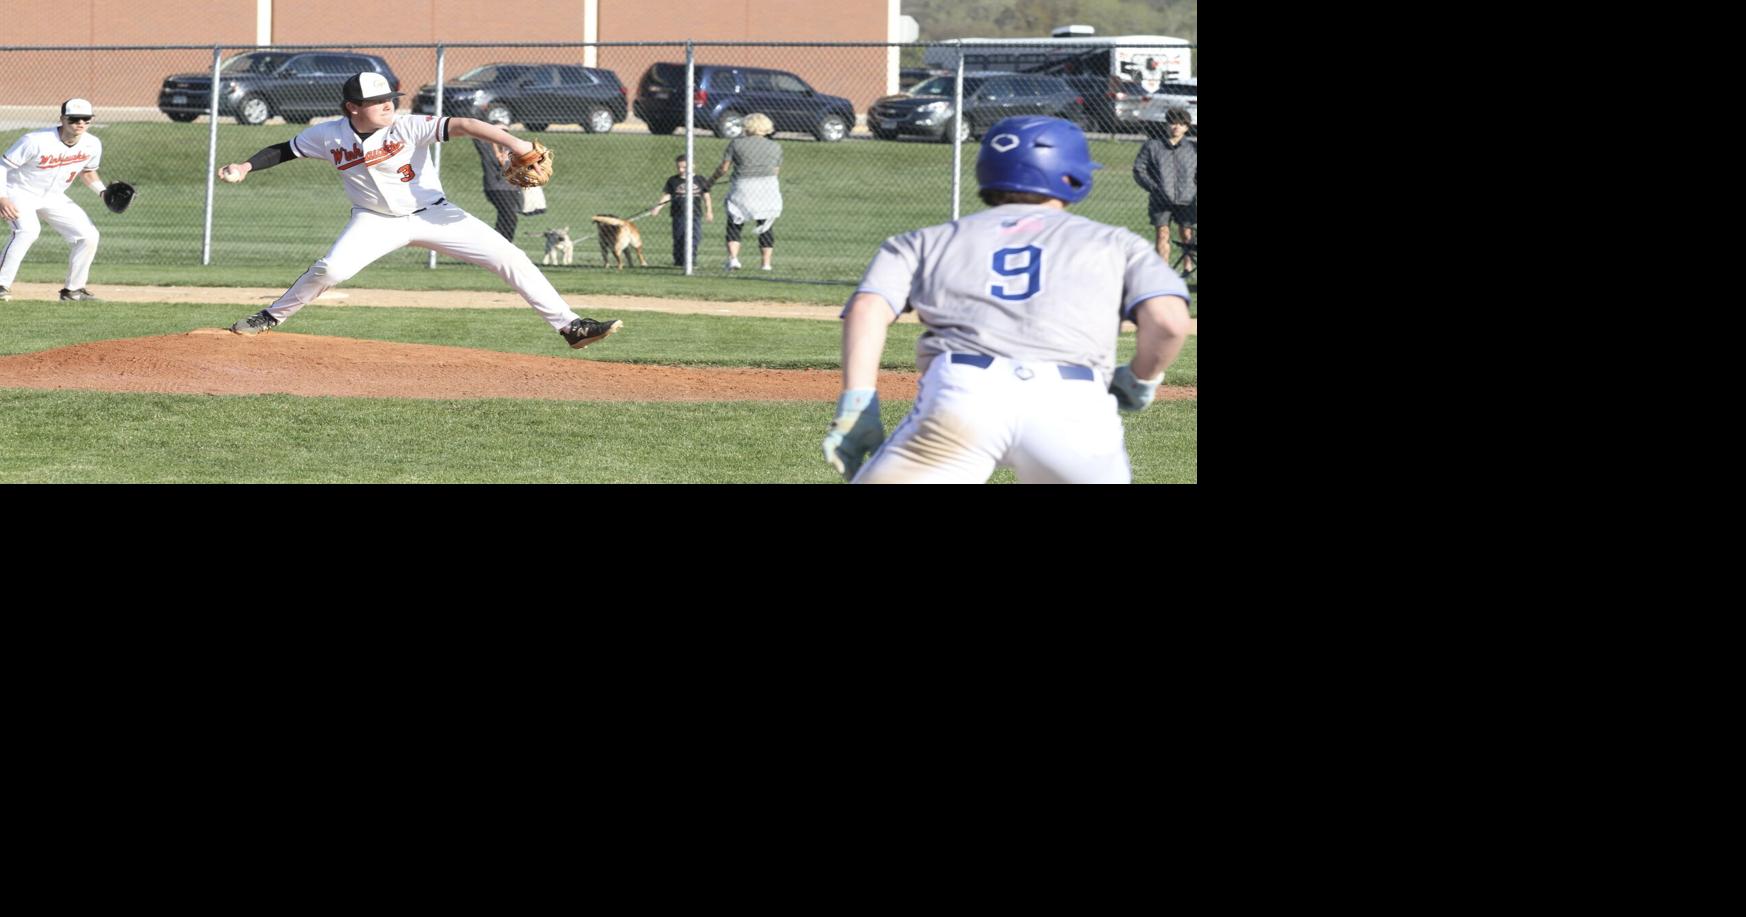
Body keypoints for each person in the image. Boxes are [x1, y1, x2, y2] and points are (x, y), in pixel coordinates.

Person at [823, 115, 1192, 485]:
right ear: (1072, 175)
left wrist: (857, 404)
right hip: (1075, 404)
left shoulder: (924, 240)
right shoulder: (1117, 243)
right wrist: (1141, 378)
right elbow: (1169, 321)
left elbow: (867, 308)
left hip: (962, 395)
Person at [217, 72, 621, 350]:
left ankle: (570, 326)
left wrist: (516, 144)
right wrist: (245, 166)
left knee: (509, 257)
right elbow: (285, 149)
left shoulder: (408, 126)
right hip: (374, 220)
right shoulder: (328, 135)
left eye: (390, 99)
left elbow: (465, 125)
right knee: (331, 270)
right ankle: (271, 316)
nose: (387, 106)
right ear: (352, 107)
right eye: (377, 102)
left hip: (434, 215)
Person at [0, 99, 110, 303]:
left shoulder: (92, 143)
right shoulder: (35, 141)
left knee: (88, 236)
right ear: (62, 119)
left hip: (54, 196)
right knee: (27, 231)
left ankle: (73, 291)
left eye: (86, 119)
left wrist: (102, 192)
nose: (80, 123)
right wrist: (2, 197)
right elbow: (2, 166)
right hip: (19, 191)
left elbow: (88, 172)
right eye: (74, 119)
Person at [710, 112, 780, 272]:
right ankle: (766, 264)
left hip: (743, 187)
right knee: (765, 225)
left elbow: (724, 168)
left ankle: (734, 259)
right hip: (768, 188)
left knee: (735, 223)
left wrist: (710, 181)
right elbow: (775, 171)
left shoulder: (736, 144)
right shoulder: (775, 147)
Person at [1132, 107, 1197, 272]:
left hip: (1187, 198)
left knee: (1187, 234)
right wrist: (1154, 187)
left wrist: (1193, 188)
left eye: (1181, 124)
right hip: (1160, 199)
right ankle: (1163, 271)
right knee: (1162, 234)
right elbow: (1139, 169)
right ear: (1166, 124)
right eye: (1173, 123)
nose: (1176, 127)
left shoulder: (1192, 149)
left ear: (1187, 127)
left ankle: (1188, 268)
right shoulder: (1152, 146)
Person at [650, 153, 713, 267]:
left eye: (684, 167)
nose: (681, 170)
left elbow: (706, 196)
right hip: (678, 215)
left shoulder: (700, 179)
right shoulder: (673, 180)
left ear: (692, 166)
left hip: (695, 214)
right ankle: (679, 261)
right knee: (679, 238)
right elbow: (667, 196)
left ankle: (691, 260)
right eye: (678, 167)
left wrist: (709, 211)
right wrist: (658, 207)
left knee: (695, 237)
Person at [472, 138, 522, 242]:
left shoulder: (509, 143)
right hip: (496, 187)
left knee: (505, 218)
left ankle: (499, 244)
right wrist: (499, 154)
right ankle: (502, 244)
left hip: (512, 188)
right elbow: (477, 136)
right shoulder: (486, 144)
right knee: (510, 217)